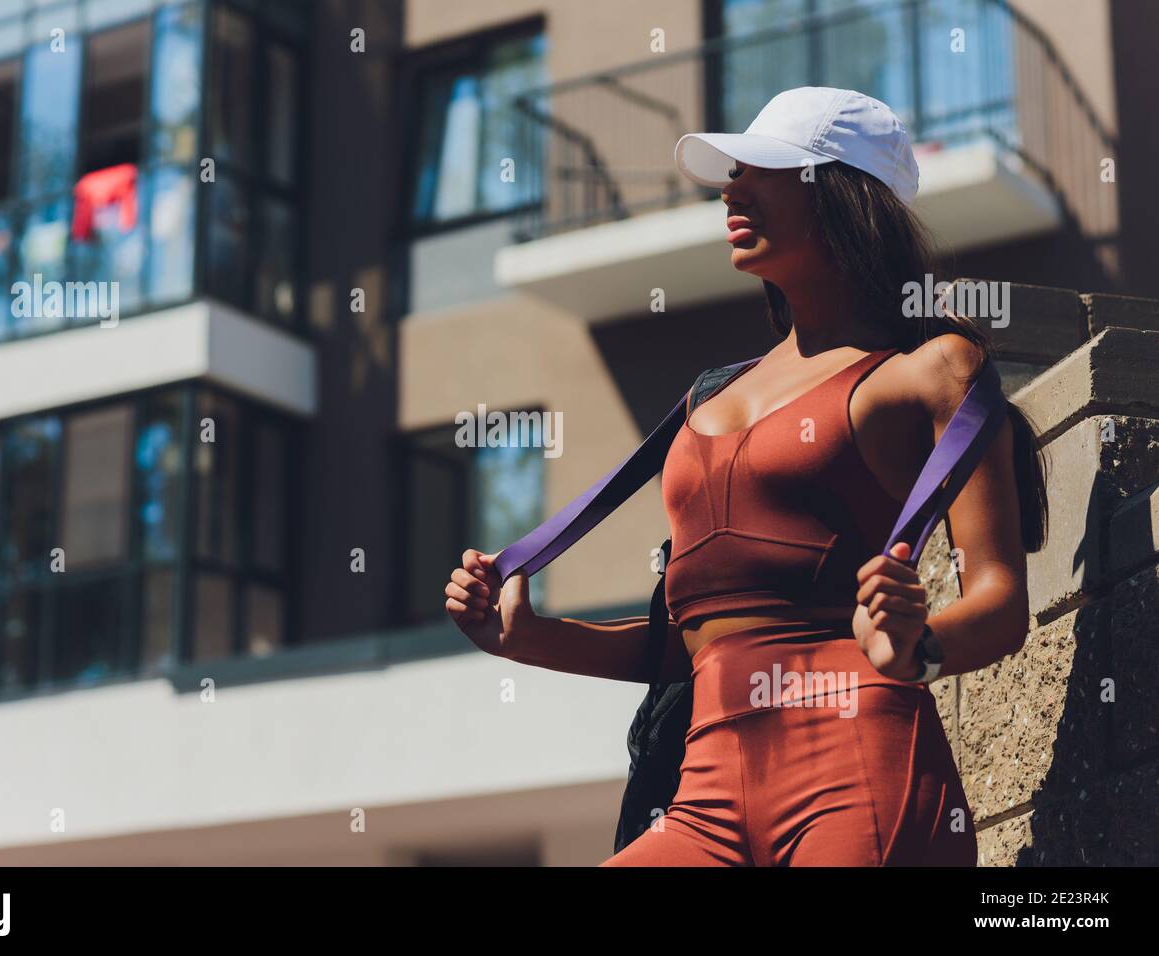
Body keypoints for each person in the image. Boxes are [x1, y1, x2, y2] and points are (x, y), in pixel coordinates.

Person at [444, 87, 1047, 866]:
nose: (732, 187)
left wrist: (919, 646)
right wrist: (532, 640)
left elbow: (1000, 602)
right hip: (704, 792)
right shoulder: (709, 393)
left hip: (858, 763)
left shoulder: (929, 371)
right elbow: (693, 647)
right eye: (732, 170)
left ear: (840, 192)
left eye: (762, 168)